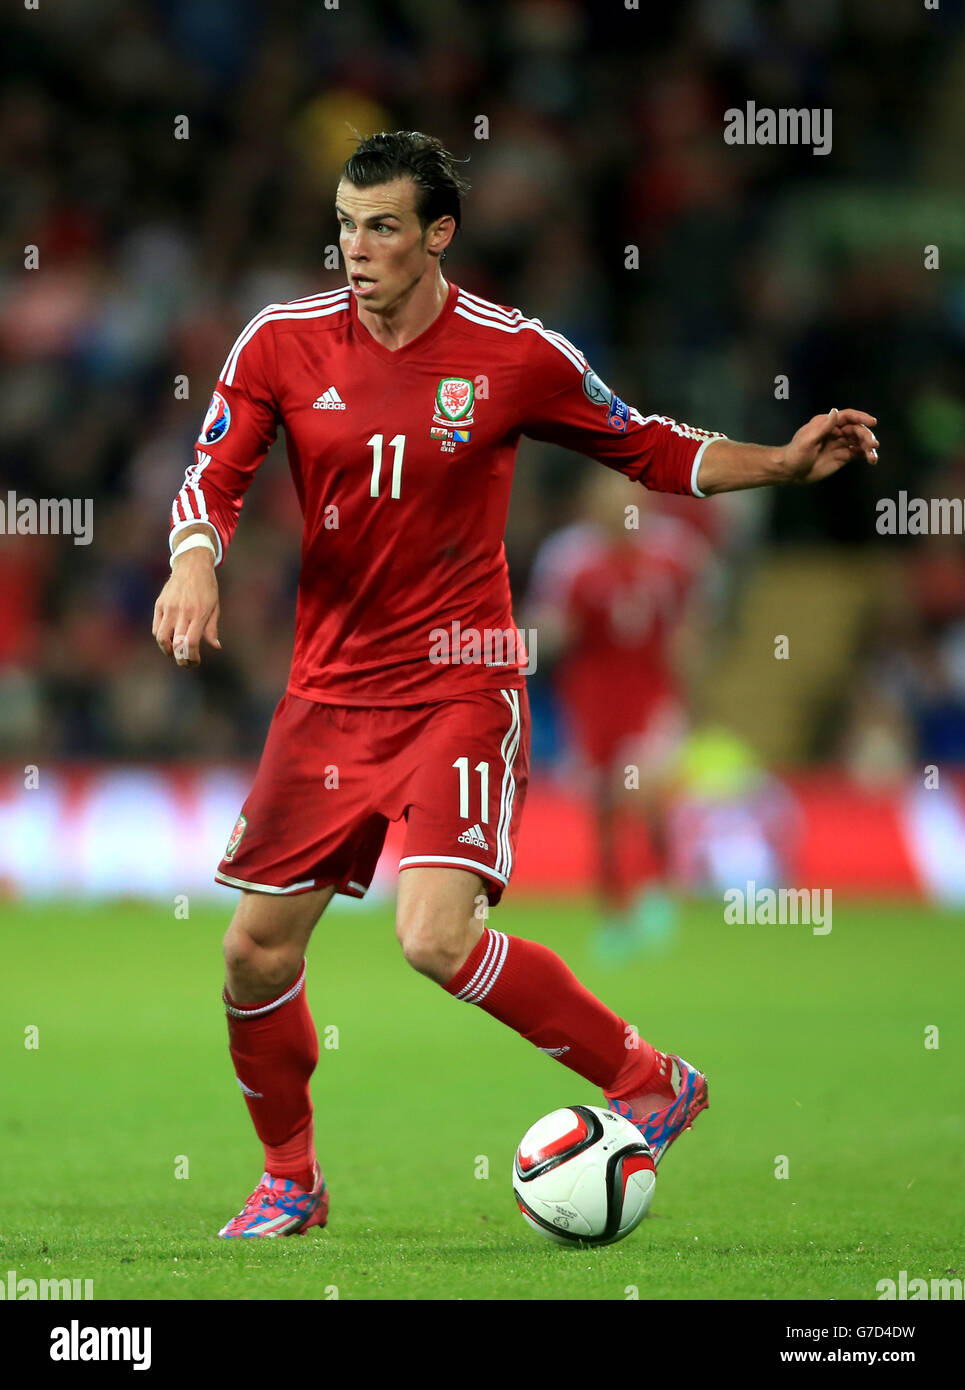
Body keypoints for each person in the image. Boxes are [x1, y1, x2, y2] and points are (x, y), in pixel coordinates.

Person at [152, 130, 878, 1238]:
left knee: (432, 936)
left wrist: (775, 462)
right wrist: (193, 558)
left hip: (462, 679)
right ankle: (290, 1181)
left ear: (437, 234)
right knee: (252, 952)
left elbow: (640, 445)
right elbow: (213, 472)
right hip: (331, 696)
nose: (356, 248)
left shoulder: (513, 354)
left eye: (383, 226)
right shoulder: (279, 344)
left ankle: (647, 1078)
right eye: (346, 225)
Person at [526, 470, 717, 961]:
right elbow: (545, 630)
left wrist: (690, 681)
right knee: (604, 808)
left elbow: (695, 623)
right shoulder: (569, 558)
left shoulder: (675, 552)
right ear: (593, 505)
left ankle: (658, 890)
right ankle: (615, 911)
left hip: (652, 695)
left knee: (637, 790)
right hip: (590, 702)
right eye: (608, 498)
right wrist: (550, 632)